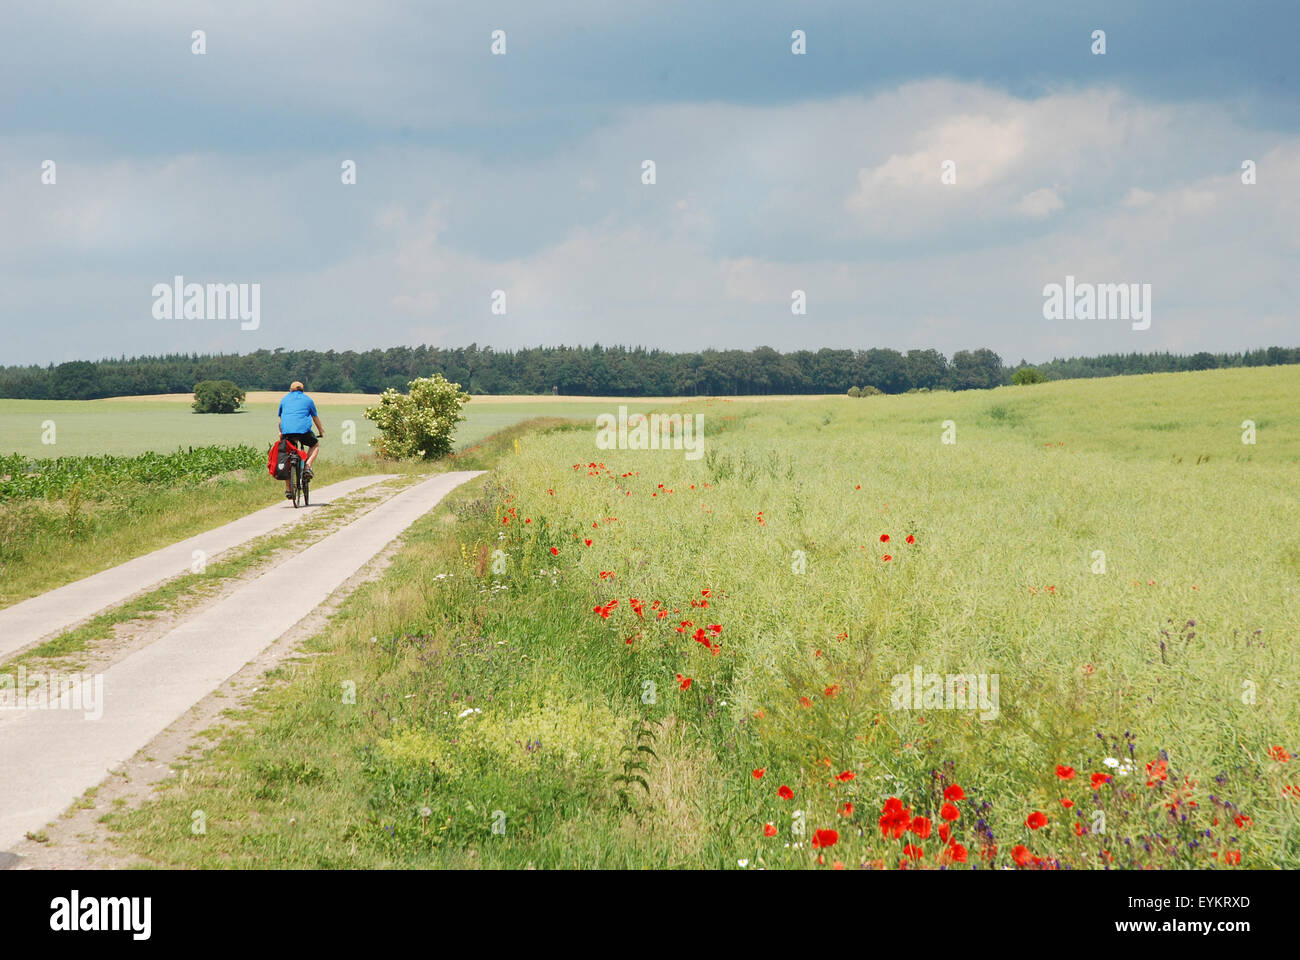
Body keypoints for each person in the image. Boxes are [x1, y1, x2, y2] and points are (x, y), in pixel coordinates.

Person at [277, 381, 323, 498]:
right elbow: (315, 417)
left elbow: (281, 420)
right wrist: (321, 431)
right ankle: (307, 466)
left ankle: (288, 489)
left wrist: (281, 433)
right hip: (303, 432)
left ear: (290, 390)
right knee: (315, 444)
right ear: (302, 390)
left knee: (287, 457)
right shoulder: (308, 399)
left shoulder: (284, 400)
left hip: (287, 432)